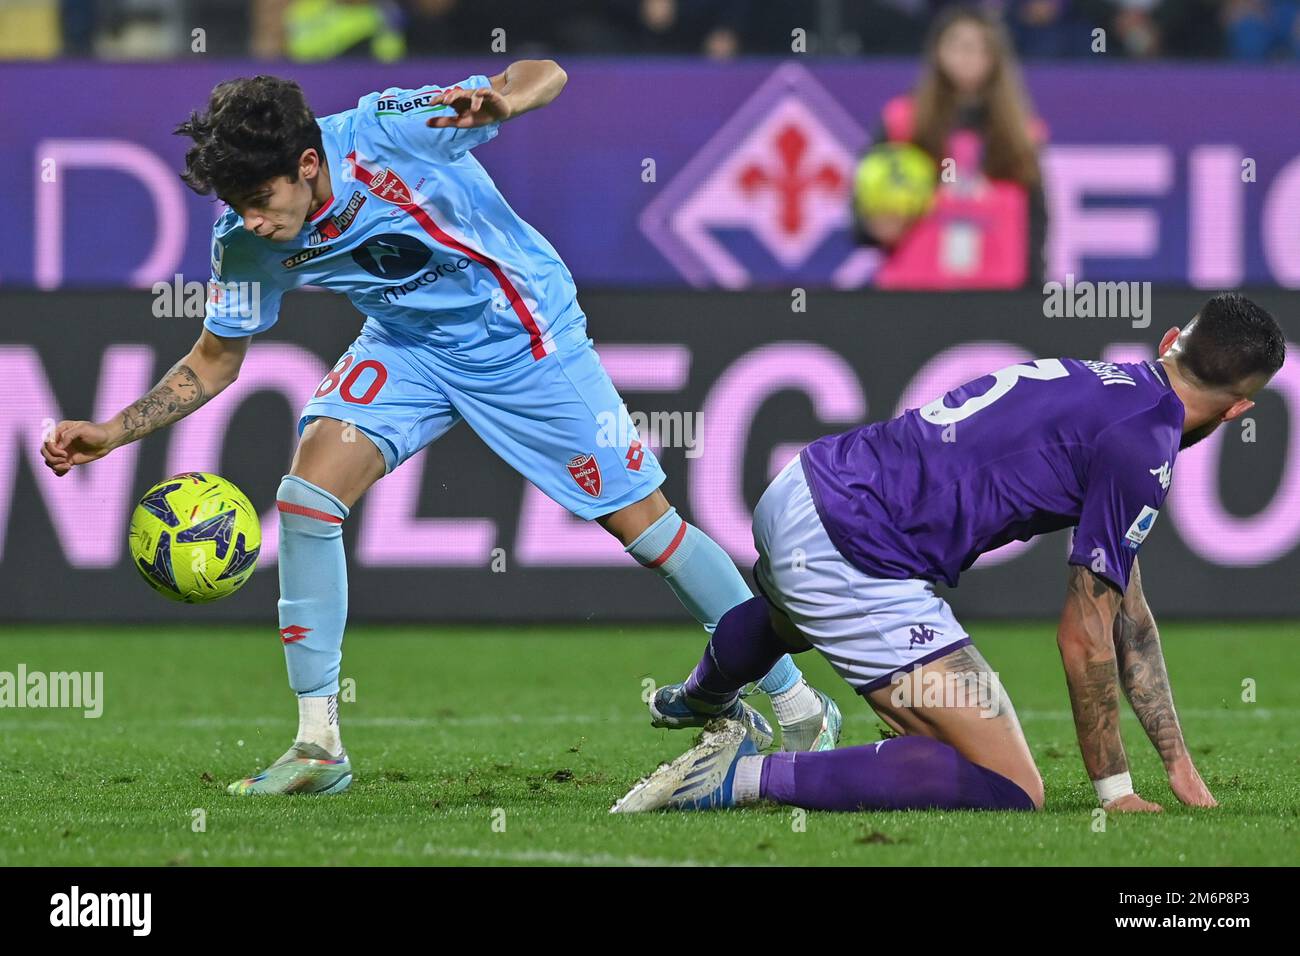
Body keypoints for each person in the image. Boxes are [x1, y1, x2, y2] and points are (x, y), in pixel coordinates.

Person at [40, 60, 839, 796]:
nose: (253, 220)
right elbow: (216, 360)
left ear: (308, 165)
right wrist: (114, 431)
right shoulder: (244, 242)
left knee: (647, 530)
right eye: (237, 206)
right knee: (307, 498)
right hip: (409, 346)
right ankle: (319, 746)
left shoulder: (387, 128)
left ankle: (800, 706)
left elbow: (543, 71)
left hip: (523, 337)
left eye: (261, 199)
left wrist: (508, 98)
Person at [614, 293, 1285, 815]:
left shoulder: (1105, 391)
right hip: (853, 551)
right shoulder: (1144, 444)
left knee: (788, 615)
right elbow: (1084, 637)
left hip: (806, 487)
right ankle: (735, 777)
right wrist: (1114, 790)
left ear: (1170, 342)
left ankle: (701, 699)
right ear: (1238, 411)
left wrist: (1176, 764)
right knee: (1010, 782)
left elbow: (1126, 615)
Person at [854, 5, 1048, 289]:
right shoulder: (902, 121)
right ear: (938, 52)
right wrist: (873, 227)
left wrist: (1033, 290)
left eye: (979, 47)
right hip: (915, 287)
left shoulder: (1021, 132)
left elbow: (1036, 218)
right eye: (957, 44)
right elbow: (863, 203)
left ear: (995, 58)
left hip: (996, 291)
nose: (967, 56)